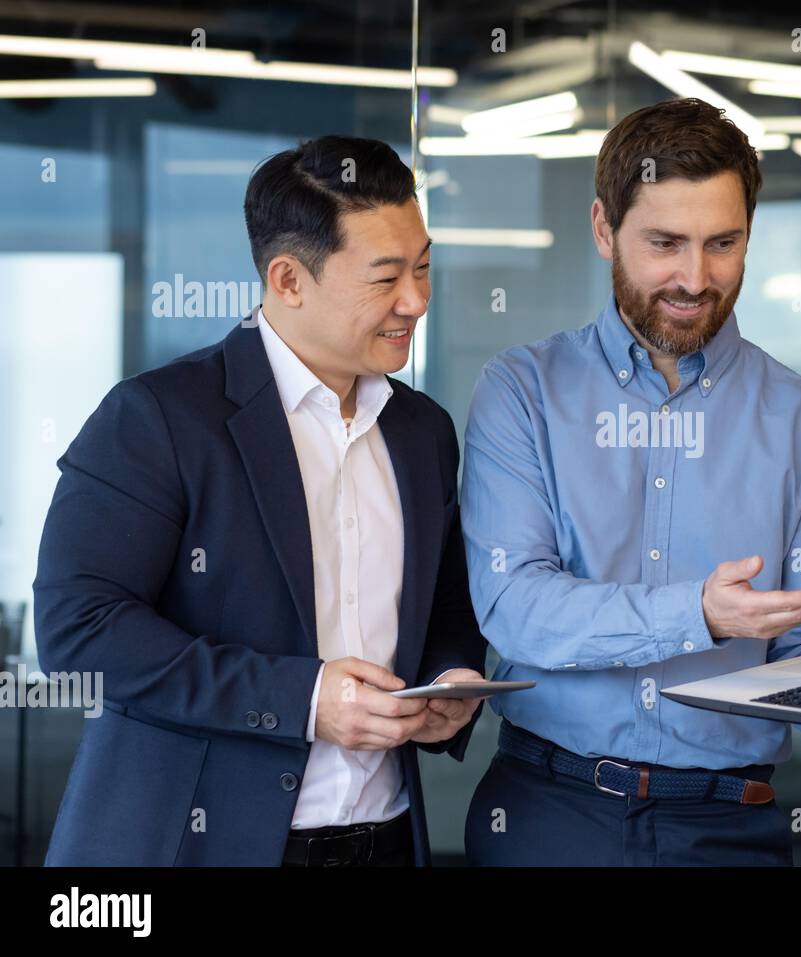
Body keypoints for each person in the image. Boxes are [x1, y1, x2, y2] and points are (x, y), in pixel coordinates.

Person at [460, 99, 801, 866]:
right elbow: (515, 607)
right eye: (665, 243)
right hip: (550, 813)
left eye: (723, 243)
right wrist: (698, 613)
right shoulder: (522, 392)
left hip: (728, 828)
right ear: (605, 228)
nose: (695, 277)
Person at [34, 135, 485, 866]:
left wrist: (450, 681)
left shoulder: (423, 430)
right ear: (288, 279)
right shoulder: (159, 418)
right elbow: (78, 629)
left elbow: (445, 611)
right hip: (197, 842)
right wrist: (306, 697)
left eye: (424, 268)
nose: (416, 300)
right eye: (386, 278)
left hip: (389, 837)